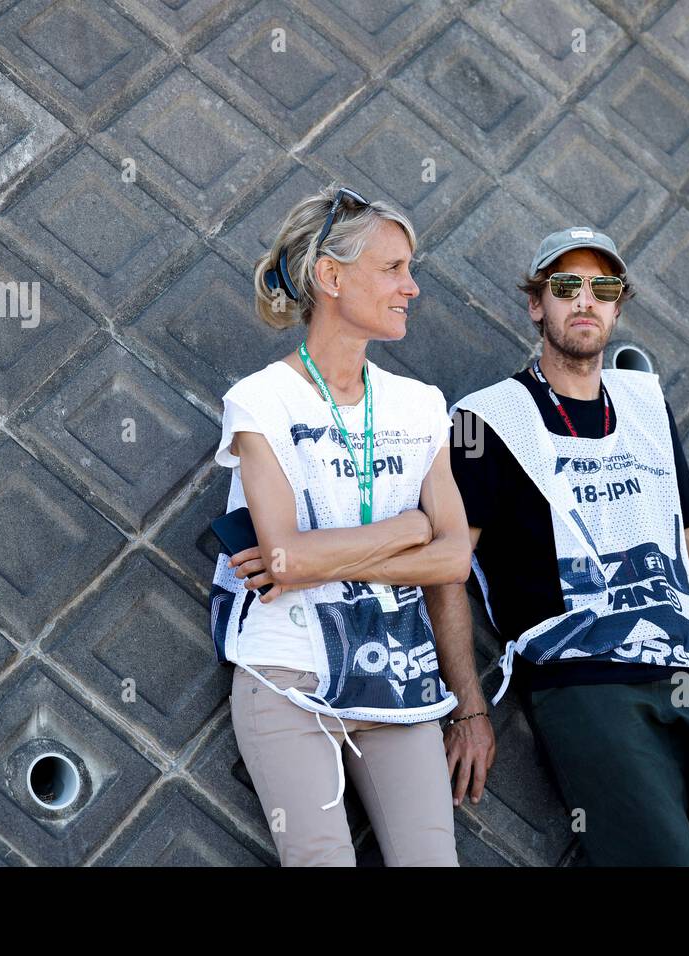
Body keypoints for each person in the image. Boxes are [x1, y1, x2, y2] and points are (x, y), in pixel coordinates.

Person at [426, 226, 689, 866]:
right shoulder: (484, 419)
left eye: (602, 288)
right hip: (585, 679)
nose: (585, 301)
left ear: (617, 306)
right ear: (535, 304)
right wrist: (468, 708)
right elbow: (444, 571)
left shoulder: (644, 402)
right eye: (565, 286)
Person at [208, 184, 475, 866]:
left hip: (397, 680)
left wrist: (324, 557)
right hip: (286, 677)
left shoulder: (421, 406)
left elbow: (452, 562)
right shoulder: (259, 401)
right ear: (331, 277)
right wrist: (410, 525)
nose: (411, 288)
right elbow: (287, 559)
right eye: (392, 269)